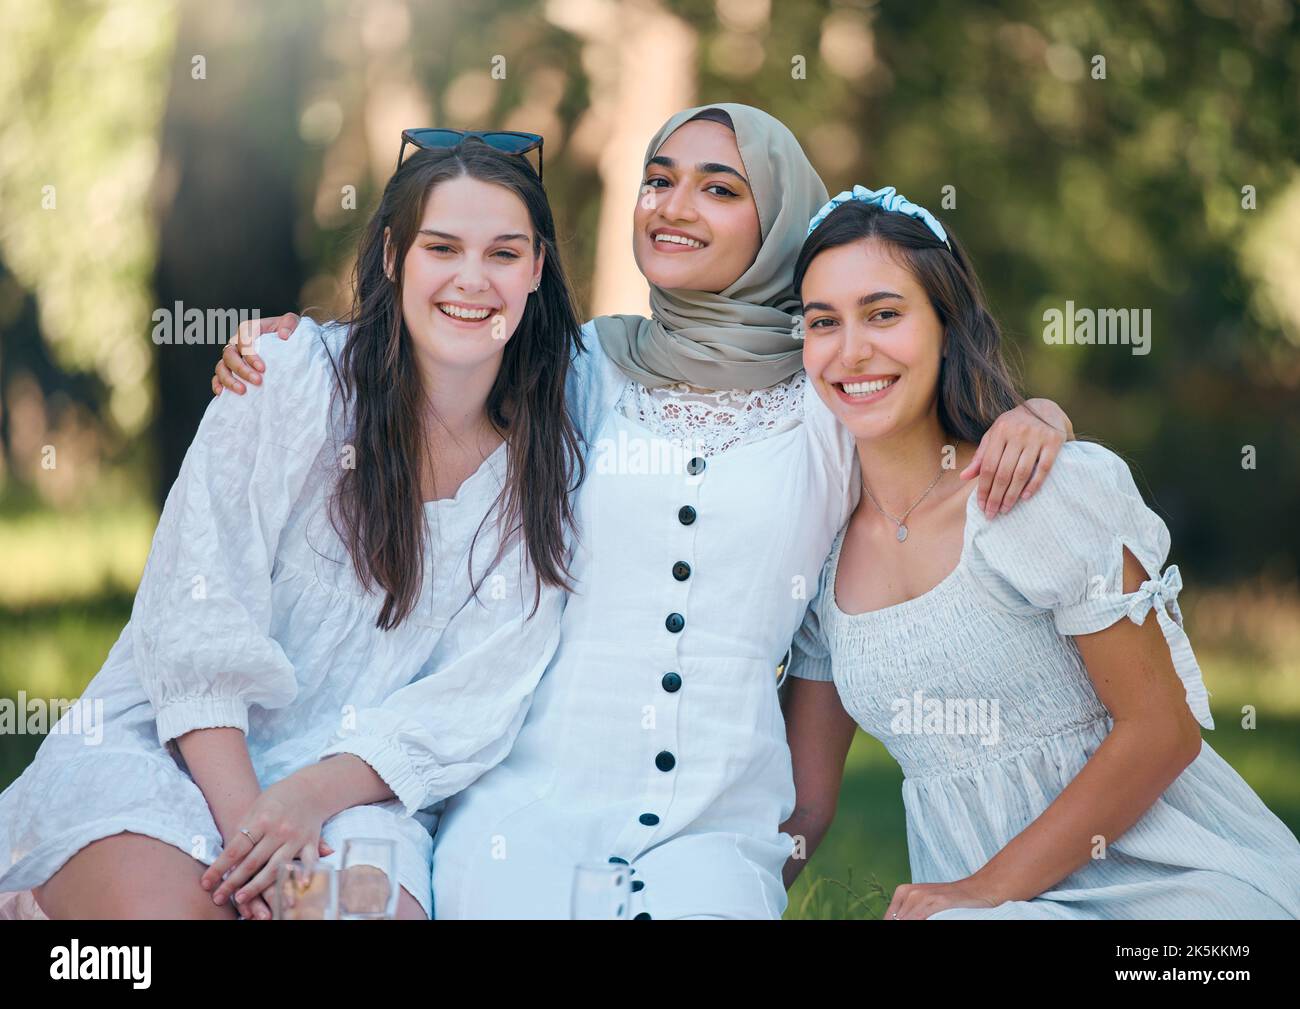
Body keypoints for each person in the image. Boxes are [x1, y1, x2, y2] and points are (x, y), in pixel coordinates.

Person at [209, 105, 1075, 919]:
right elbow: (428, 351)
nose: (674, 206)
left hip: (716, 835)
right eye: (659, 180)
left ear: (780, 223)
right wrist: (298, 349)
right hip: (522, 814)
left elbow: (936, 433)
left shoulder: (832, 397)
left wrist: (1039, 417)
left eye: (720, 188)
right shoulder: (573, 366)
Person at [0, 135, 584, 920]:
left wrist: (306, 799)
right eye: (441, 246)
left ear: (537, 270)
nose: (472, 279)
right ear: (391, 257)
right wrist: (253, 831)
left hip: (354, 790)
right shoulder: (290, 382)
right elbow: (194, 620)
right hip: (178, 749)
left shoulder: (544, 463)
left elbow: (471, 697)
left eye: (504, 253)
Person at [784, 184, 1300, 919]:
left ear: (946, 324)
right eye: (822, 322)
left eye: (885, 313)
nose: (851, 349)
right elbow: (802, 805)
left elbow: (1162, 730)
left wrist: (983, 890)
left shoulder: (1036, 495)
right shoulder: (820, 550)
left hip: (1176, 895)